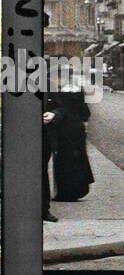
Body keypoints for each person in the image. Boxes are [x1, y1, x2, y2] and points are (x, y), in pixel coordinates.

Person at [52, 86, 94, 202]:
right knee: (78, 158)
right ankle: (78, 189)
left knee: (63, 160)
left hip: (63, 128)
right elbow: (85, 112)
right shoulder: (78, 89)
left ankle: (65, 192)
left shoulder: (57, 90)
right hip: (77, 128)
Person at [42, 91, 64, 222]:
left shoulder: (49, 85)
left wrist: (54, 114)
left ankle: (44, 209)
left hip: (44, 137)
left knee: (42, 172)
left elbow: (62, 108)